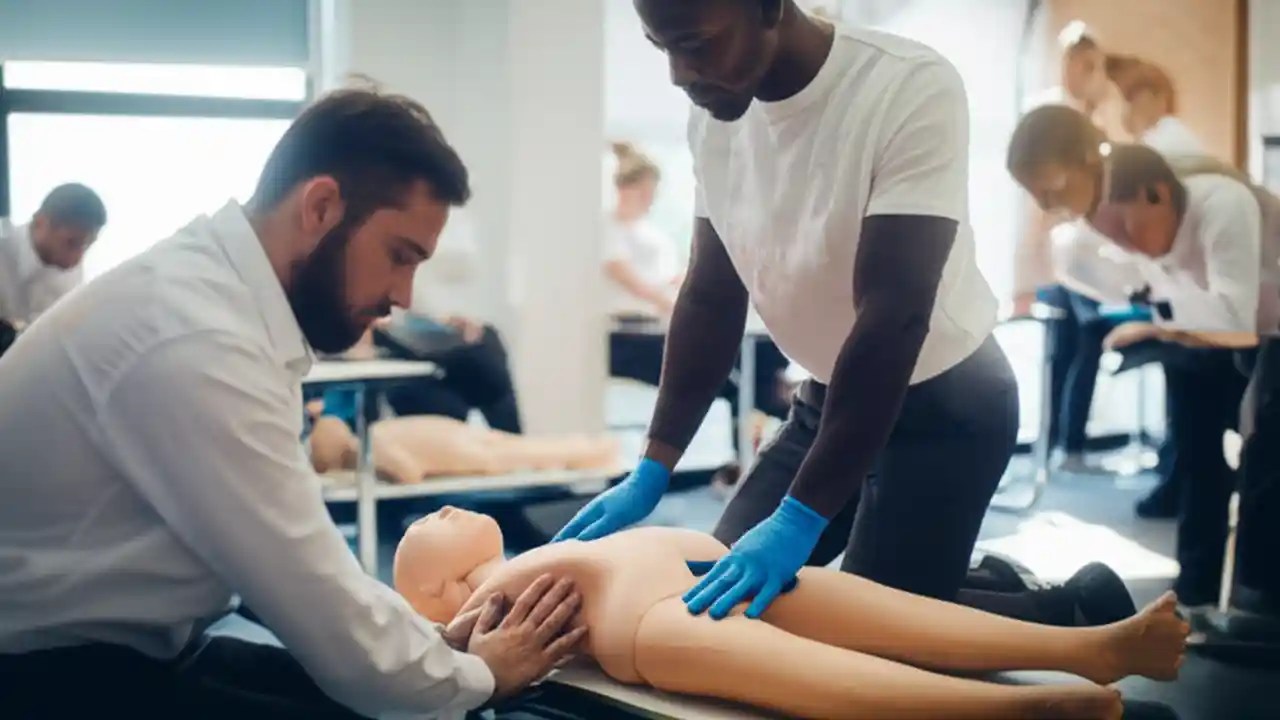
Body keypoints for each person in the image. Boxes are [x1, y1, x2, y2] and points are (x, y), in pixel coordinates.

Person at [0, 89, 585, 719]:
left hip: (122, 649)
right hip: (44, 679)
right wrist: (479, 678)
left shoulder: (215, 301)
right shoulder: (195, 337)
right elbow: (306, 585)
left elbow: (297, 566)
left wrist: (433, 649)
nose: (404, 295)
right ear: (321, 207)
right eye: (399, 256)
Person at [556, 0, 1132, 628]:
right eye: (660, 47)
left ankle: (1067, 608)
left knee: (865, 633)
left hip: (945, 406)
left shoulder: (905, 86)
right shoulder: (716, 110)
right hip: (831, 396)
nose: (678, 73)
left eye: (694, 44)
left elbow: (894, 314)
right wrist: (653, 465)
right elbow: (710, 296)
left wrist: (800, 518)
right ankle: (947, 579)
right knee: (717, 601)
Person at [399, 506, 1189, 720]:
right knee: (826, 677)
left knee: (892, 616)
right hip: (648, 621)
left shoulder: (536, 549)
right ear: (433, 591)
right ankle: (1024, 710)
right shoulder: (475, 609)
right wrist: (452, 642)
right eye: (427, 525)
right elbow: (443, 662)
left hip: (710, 569)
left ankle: (1091, 647)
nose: (442, 511)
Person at [1007, 104, 1276, 607]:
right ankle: (1194, 596)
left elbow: (1231, 316)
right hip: (1195, 333)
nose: (1049, 205)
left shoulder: (1200, 192)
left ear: (1088, 159)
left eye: (1053, 189)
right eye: (1038, 196)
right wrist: (1156, 315)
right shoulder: (1087, 233)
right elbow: (1145, 289)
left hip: (1256, 329)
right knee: (1196, 454)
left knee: (1264, 459)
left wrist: (1154, 320)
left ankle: (1258, 602)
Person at [603, 140, 791, 485]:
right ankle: (777, 413)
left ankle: (771, 416)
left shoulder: (650, 234)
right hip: (629, 336)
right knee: (731, 373)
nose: (651, 198)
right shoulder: (608, 231)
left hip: (661, 326)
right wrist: (690, 309)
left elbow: (671, 281)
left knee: (753, 360)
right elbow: (636, 285)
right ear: (628, 187)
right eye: (646, 190)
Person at [306, 409, 619, 483]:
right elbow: (409, 470)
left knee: (525, 451)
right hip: (456, 442)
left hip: (456, 444)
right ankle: (586, 449)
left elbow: (408, 472)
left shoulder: (371, 442)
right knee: (524, 450)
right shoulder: (373, 439)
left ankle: (587, 450)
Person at [0, 182, 106, 328]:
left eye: (86, 246)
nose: (77, 259)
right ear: (40, 223)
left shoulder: (72, 276)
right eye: (71, 243)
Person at [1105, 57, 1205, 159]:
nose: (1124, 108)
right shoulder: (1164, 137)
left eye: (1129, 98)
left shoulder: (1169, 137)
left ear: (1157, 99)